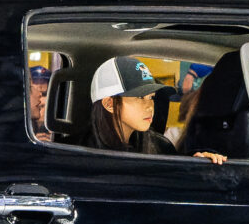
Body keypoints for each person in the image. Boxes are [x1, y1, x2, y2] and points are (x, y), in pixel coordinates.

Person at [86, 56, 227, 161]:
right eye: (140, 97)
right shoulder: (79, 152)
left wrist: (197, 161)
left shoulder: (160, 145)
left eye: (151, 97)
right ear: (109, 104)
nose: (150, 106)